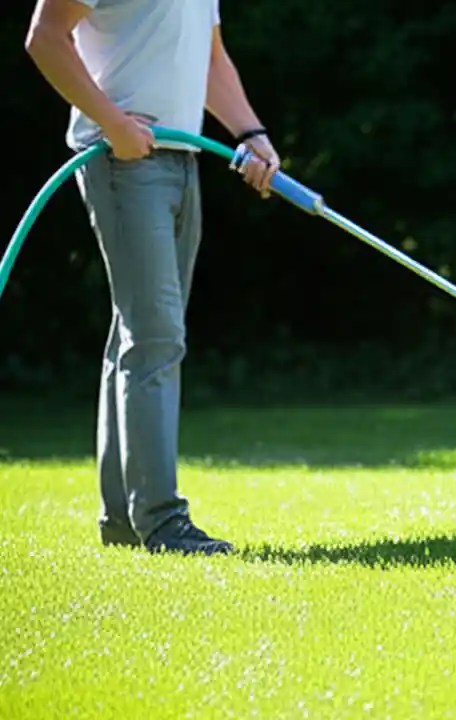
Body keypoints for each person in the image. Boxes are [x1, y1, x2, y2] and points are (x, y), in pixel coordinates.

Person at [24, 0, 279, 555]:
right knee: (155, 338)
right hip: (122, 161)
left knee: (139, 337)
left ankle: (124, 519)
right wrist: (113, 124)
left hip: (181, 159)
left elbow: (209, 59)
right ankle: (162, 522)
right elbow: (44, 37)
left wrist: (251, 132)